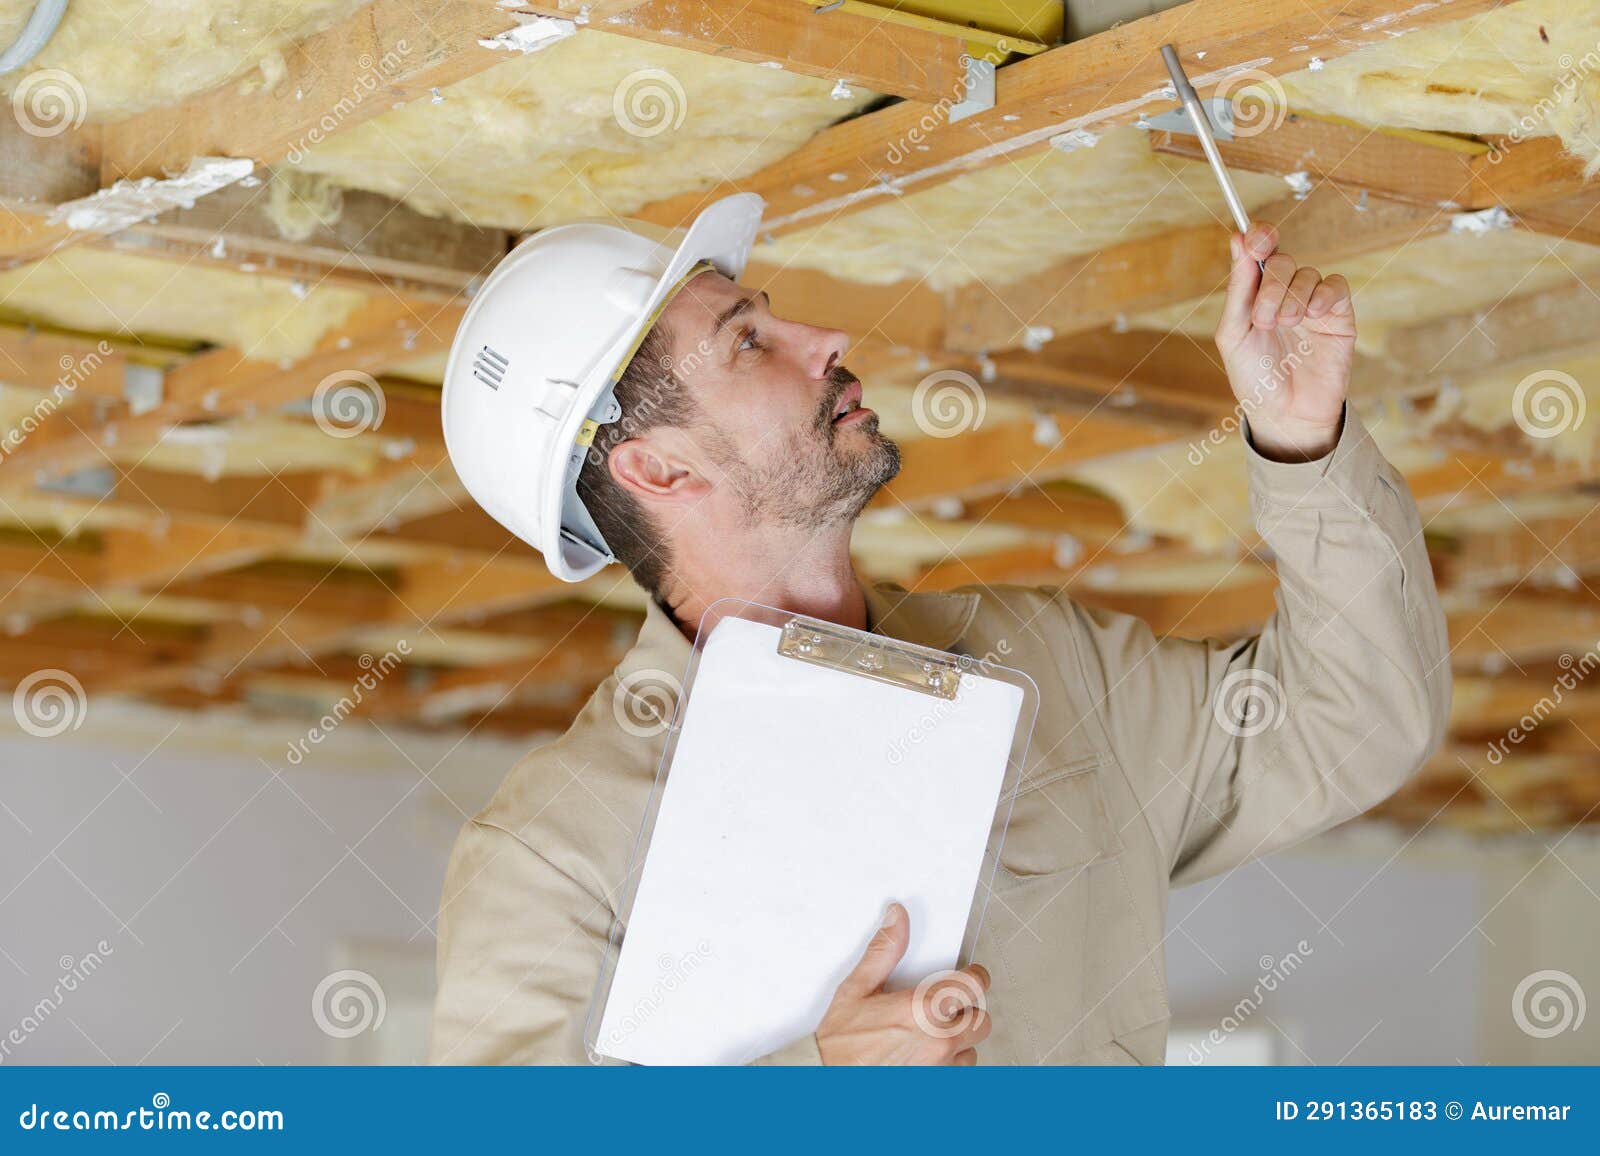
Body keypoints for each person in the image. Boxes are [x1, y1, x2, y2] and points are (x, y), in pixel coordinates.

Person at [429, 194, 1449, 1065]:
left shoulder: (1048, 669)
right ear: (657, 469)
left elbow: (1351, 722)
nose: (822, 339)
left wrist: (1300, 440)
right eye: (749, 340)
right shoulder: (556, 852)